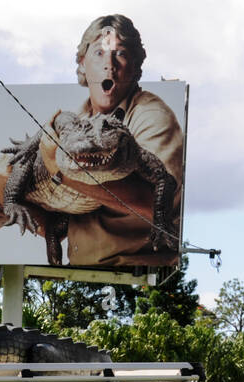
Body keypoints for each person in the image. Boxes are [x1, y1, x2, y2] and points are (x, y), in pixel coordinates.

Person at [61, 14, 184, 266]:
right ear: (82, 63)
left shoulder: (152, 115)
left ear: (136, 66)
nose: (109, 65)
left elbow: (153, 200)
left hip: (137, 272)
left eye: (120, 54)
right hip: (78, 272)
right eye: (99, 53)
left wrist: (62, 172)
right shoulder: (77, 118)